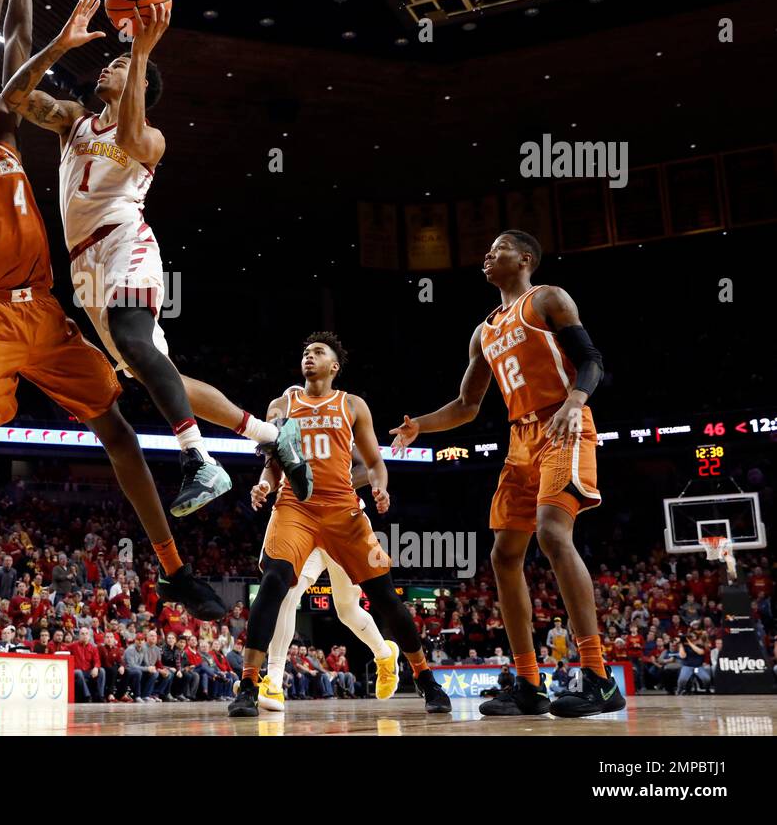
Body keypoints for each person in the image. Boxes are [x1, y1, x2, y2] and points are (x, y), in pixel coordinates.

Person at [0, 0, 223, 705]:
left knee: (116, 424)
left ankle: (174, 568)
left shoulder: (4, 141)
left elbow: (13, 51)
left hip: (48, 311)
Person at [0, 0, 310, 517]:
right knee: (155, 371)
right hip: (84, 266)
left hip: (126, 242)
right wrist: (60, 45)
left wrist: (140, 54)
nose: (107, 66)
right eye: (110, 62)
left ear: (141, 85)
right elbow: (12, 98)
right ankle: (272, 435)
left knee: (132, 338)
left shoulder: (152, 138)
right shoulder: (73, 121)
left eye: (119, 65)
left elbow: (128, 135)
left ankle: (199, 461)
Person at [390, 230, 624, 719]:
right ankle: (528, 684)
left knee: (553, 534)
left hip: (564, 423)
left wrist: (576, 401)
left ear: (524, 259)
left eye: (497, 249)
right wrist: (420, 425)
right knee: (503, 555)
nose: (486, 256)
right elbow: (467, 404)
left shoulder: (548, 299)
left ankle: (599, 678)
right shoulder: (484, 330)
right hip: (520, 440)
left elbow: (592, 360)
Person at [229, 334, 450, 718]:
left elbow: (374, 463)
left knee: (376, 598)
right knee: (277, 584)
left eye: (318, 352)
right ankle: (253, 683)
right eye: (305, 352)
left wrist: (380, 487)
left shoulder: (352, 405)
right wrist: (265, 484)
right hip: (296, 509)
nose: (309, 356)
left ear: (334, 366)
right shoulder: (281, 406)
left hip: (343, 511)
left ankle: (423, 677)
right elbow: (273, 461)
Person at [258, 450, 397, 711]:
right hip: (302, 522)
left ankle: (385, 655)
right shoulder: (288, 429)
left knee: (347, 611)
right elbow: (275, 467)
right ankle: (274, 680)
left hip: (343, 521)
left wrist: (328, 483)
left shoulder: (341, 427)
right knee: (288, 593)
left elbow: (369, 465)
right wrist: (265, 484)